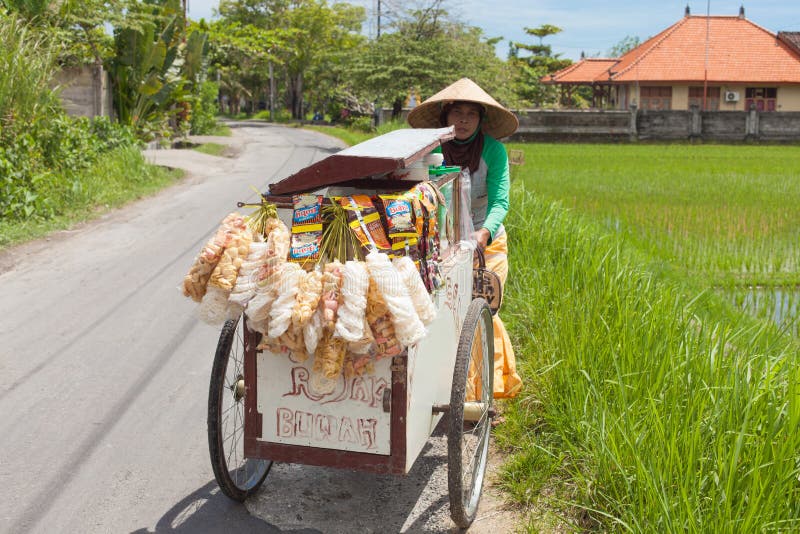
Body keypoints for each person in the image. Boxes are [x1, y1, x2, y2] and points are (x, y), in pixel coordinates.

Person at [407, 78, 523, 399]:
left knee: (484, 312)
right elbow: (422, 193)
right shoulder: (432, 149)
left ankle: (487, 392)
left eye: (471, 114)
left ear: (481, 119)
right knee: (445, 314)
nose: (463, 120)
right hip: (444, 244)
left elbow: (500, 201)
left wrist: (484, 232)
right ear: (445, 116)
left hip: (488, 243)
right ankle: (448, 391)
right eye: (457, 112)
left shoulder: (493, 151)